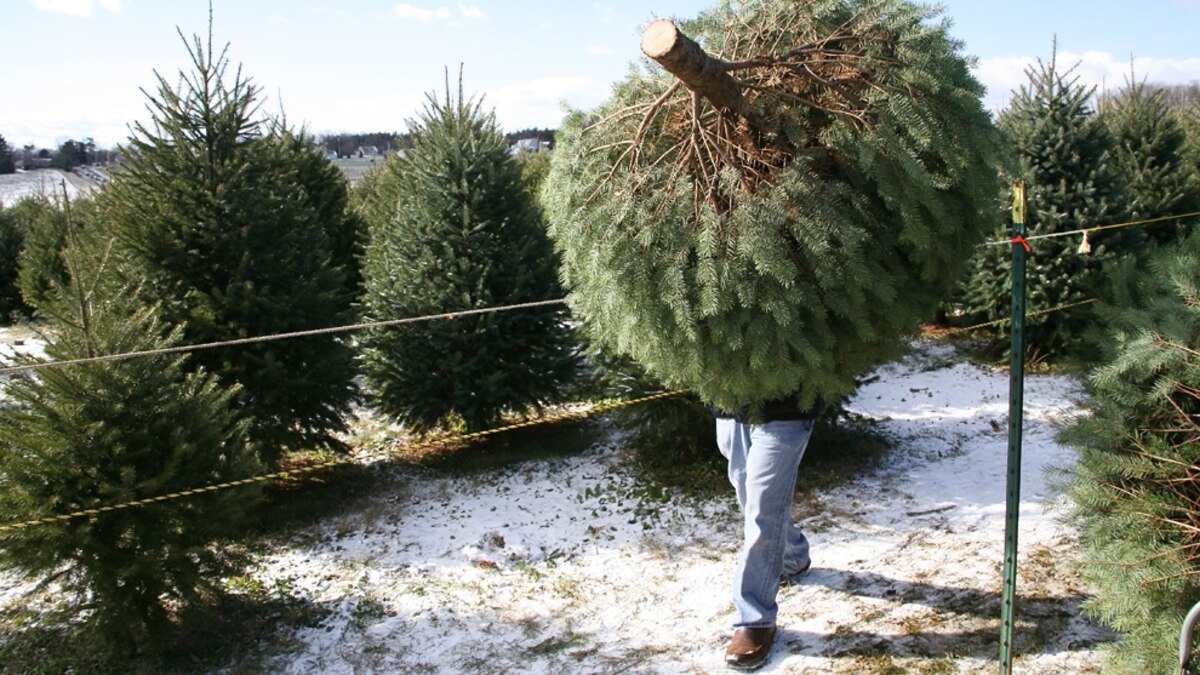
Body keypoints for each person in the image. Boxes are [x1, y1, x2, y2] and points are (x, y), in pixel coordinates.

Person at [714, 397, 823, 671]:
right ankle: (793, 556)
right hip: (730, 401)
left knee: (763, 509)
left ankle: (754, 619)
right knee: (747, 490)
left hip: (787, 403)